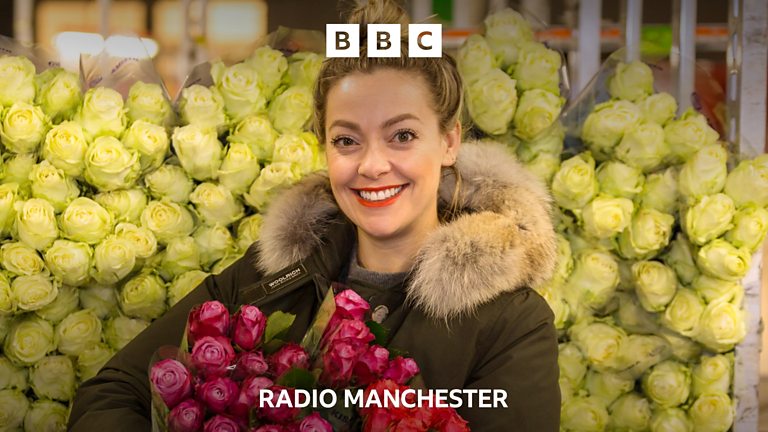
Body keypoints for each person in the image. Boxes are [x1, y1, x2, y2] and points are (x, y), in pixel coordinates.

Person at [69, 1, 561, 430]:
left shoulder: (511, 325)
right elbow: (111, 393)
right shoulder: (265, 276)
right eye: (346, 140)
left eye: (403, 136)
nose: (371, 165)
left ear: (450, 141)